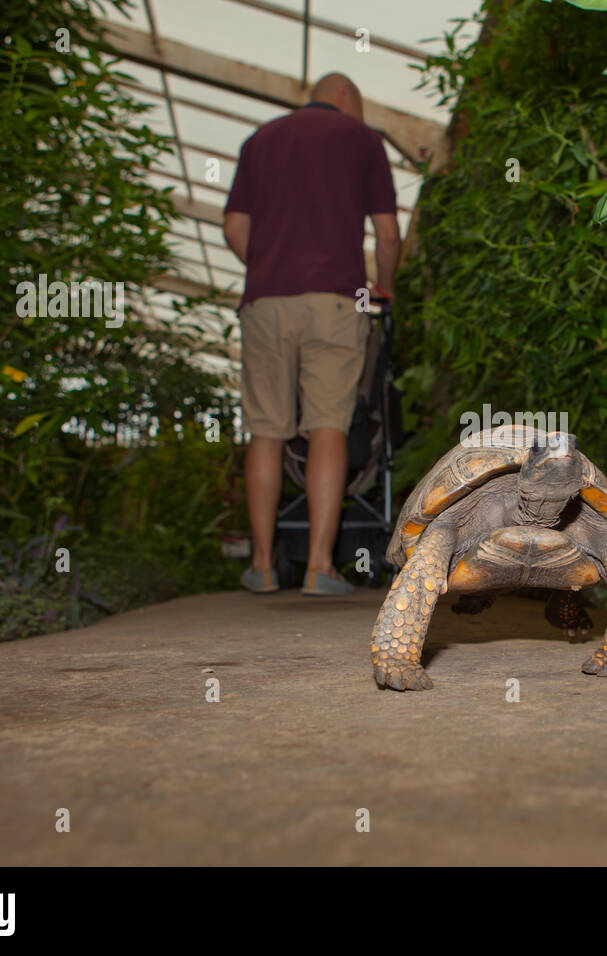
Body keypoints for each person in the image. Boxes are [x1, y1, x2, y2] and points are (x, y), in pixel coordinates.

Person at [223, 72, 400, 595]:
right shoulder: (362, 139)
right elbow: (387, 234)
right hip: (336, 299)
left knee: (267, 429)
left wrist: (266, 266)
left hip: (266, 301)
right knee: (328, 424)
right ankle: (319, 569)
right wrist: (384, 287)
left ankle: (261, 565)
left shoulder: (259, 140)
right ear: (347, 97)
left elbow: (234, 227)